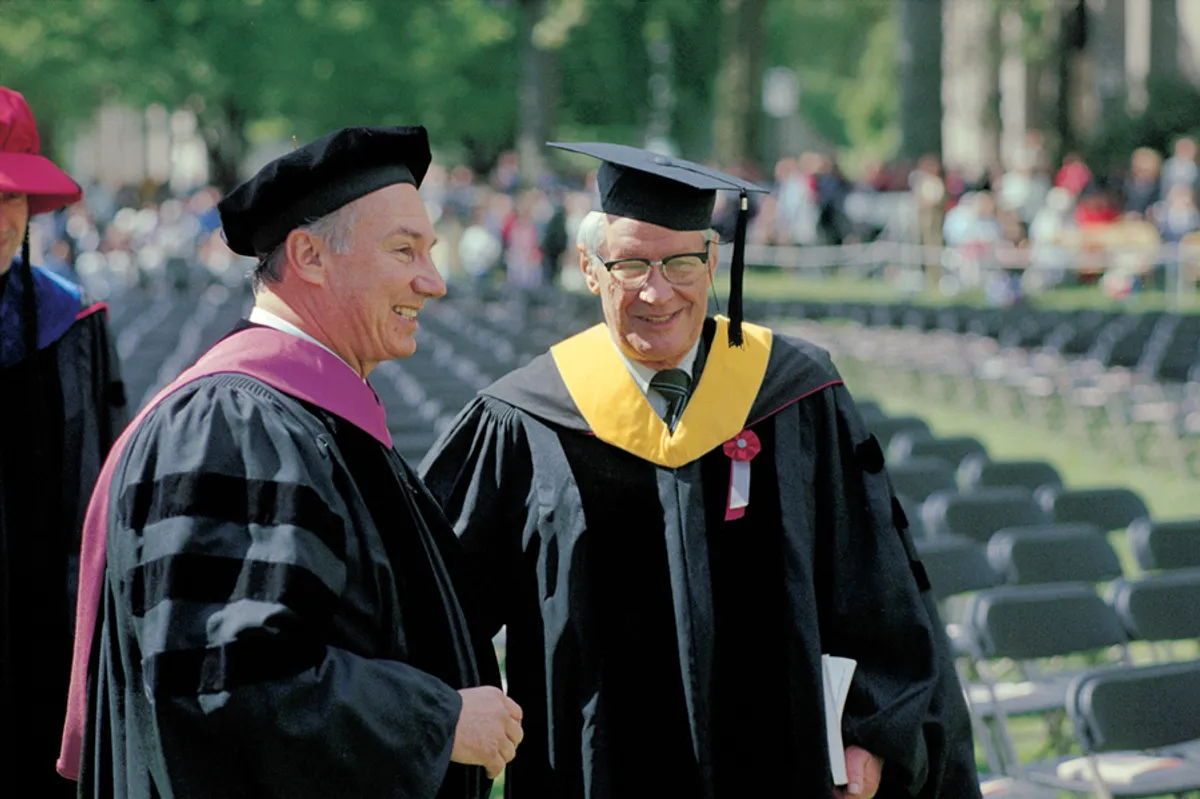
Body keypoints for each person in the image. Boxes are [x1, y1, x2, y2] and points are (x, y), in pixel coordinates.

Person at [421, 142, 980, 798]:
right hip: (595, 772)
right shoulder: (526, 418)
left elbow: (877, 580)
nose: (658, 292)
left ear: (713, 260)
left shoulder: (797, 395)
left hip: (783, 768)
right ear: (590, 268)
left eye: (682, 261)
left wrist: (873, 733)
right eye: (630, 263)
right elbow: (435, 602)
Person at [58, 126, 522, 798]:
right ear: (309, 255)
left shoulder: (309, 418)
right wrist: (440, 719)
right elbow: (231, 679)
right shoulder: (238, 426)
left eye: (431, 251)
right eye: (405, 250)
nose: (434, 281)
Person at [0, 86, 128, 799]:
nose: (1, 218)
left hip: (50, 626)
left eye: (14, 200)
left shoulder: (73, 320)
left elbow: (108, 483)